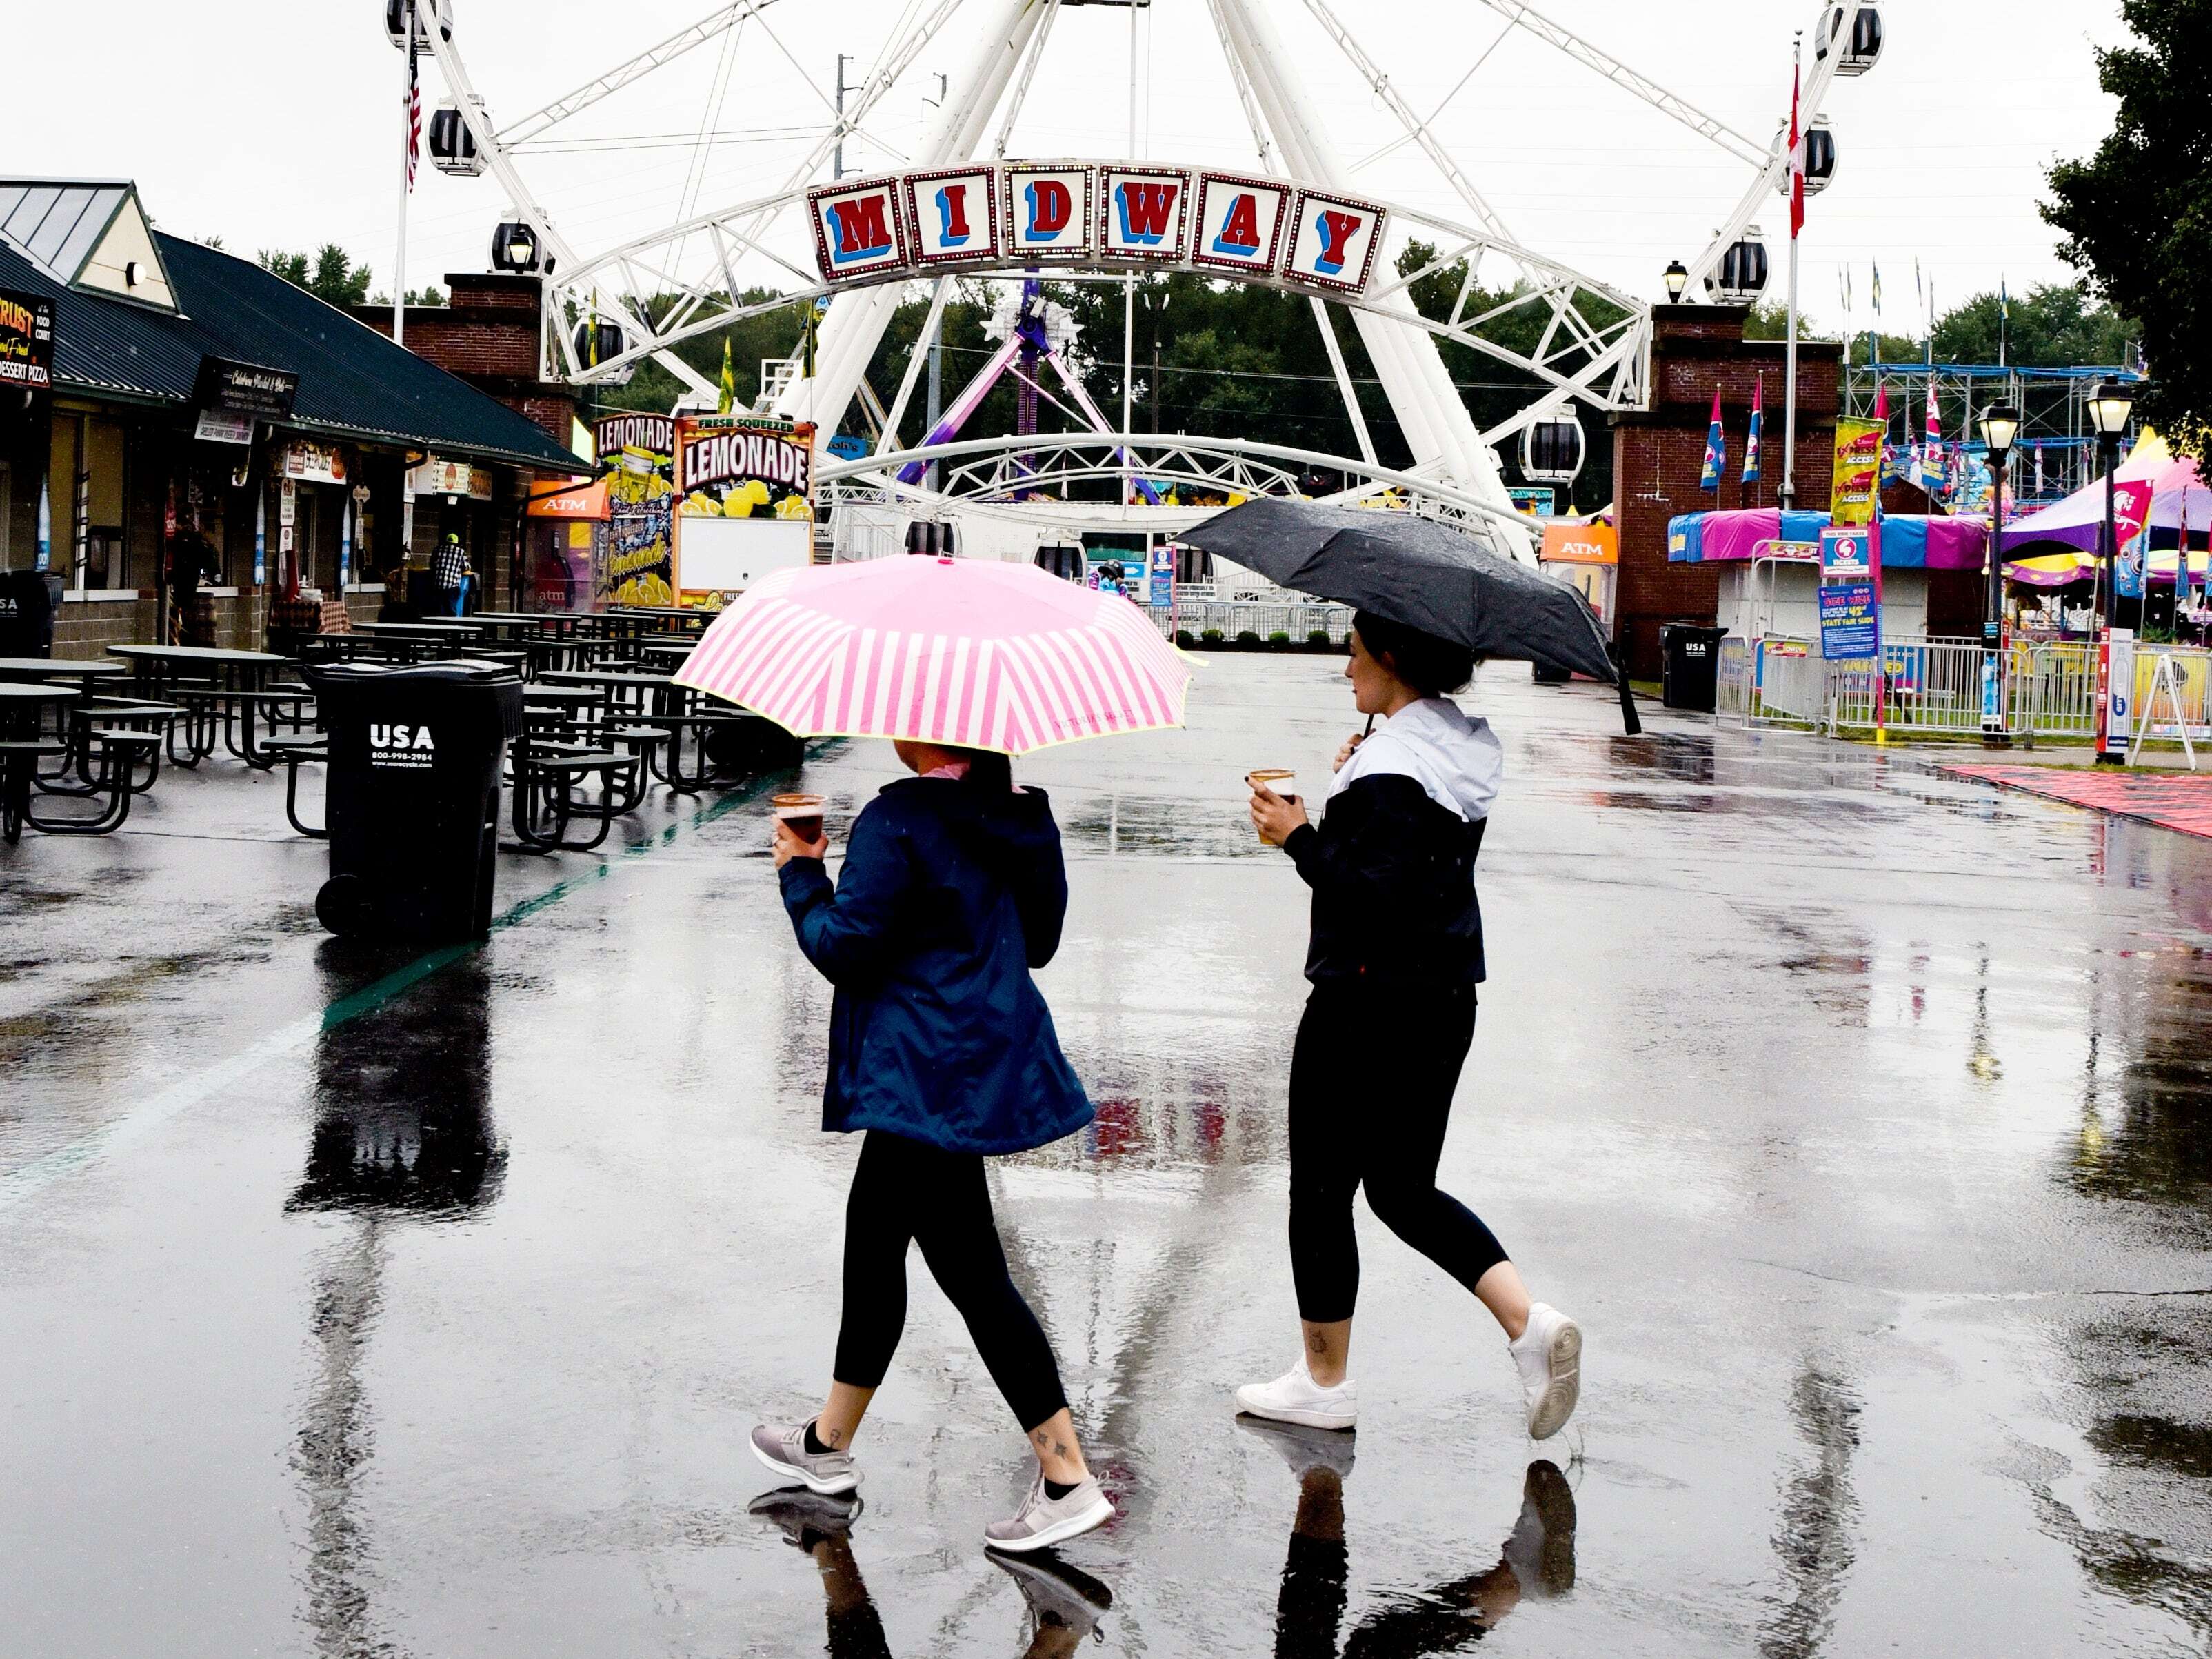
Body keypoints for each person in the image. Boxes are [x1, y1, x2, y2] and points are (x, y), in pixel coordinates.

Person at [753, 738, 1116, 1555]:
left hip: (917, 1069)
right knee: (875, 1243)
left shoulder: (899, 817)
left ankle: (1066, 1479)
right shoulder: (1024, 814)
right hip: (974, 1056)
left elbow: (846, 946)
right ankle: (826, 1445)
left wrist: (801, 872)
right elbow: (1040, 941)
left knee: (973, 1275)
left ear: (923, 728)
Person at [1240, 612, 1582, 1441]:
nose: (1345, 668)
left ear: (1391, 657)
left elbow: (1368, 891)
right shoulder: (1451, 747)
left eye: (1354, 653)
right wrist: (1356, 785)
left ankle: (1323, 1383)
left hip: (1363, 1002)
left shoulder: (1391, 767)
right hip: (1443, 997)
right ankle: (1527, 1326)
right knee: (1401, 1188)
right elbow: (1413, 860)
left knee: (1321, 1193)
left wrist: (1298, 835)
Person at [432, 532, 472, 617]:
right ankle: (452, 627)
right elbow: (467, 567)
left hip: (438, 584)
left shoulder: (437, 549)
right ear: (457, 543)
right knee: (451, 609)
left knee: (439, 609)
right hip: (452, 585)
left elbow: (432, 564)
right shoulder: (460, 552)